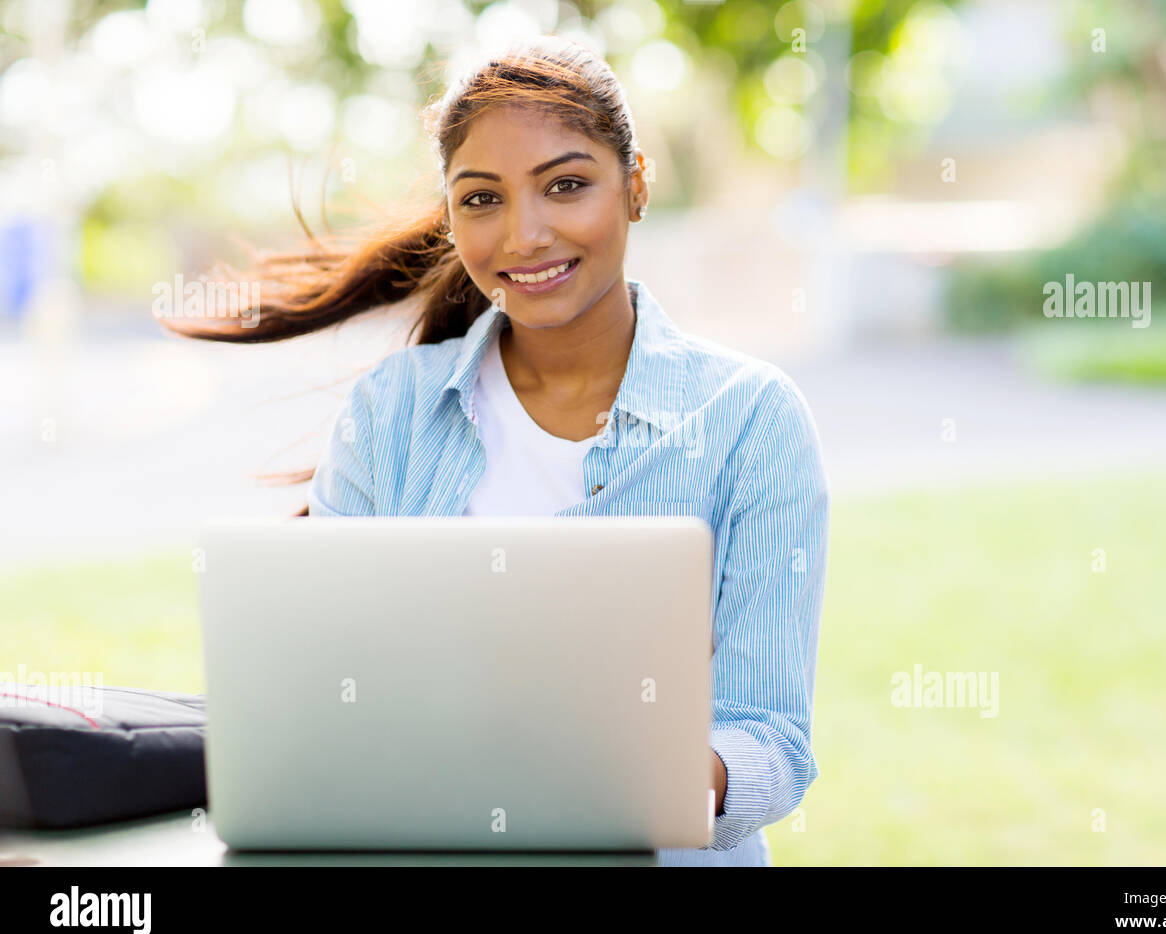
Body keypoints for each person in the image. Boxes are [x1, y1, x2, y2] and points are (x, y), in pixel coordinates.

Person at [161, 34, 829, 867]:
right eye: (483, 200)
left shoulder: (751, 420)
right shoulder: (394, 408)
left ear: (636, 186)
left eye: (567, 185)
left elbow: (773, 740)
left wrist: (665, 772)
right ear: (452, 215)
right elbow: (330, 687)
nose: (525, 234)